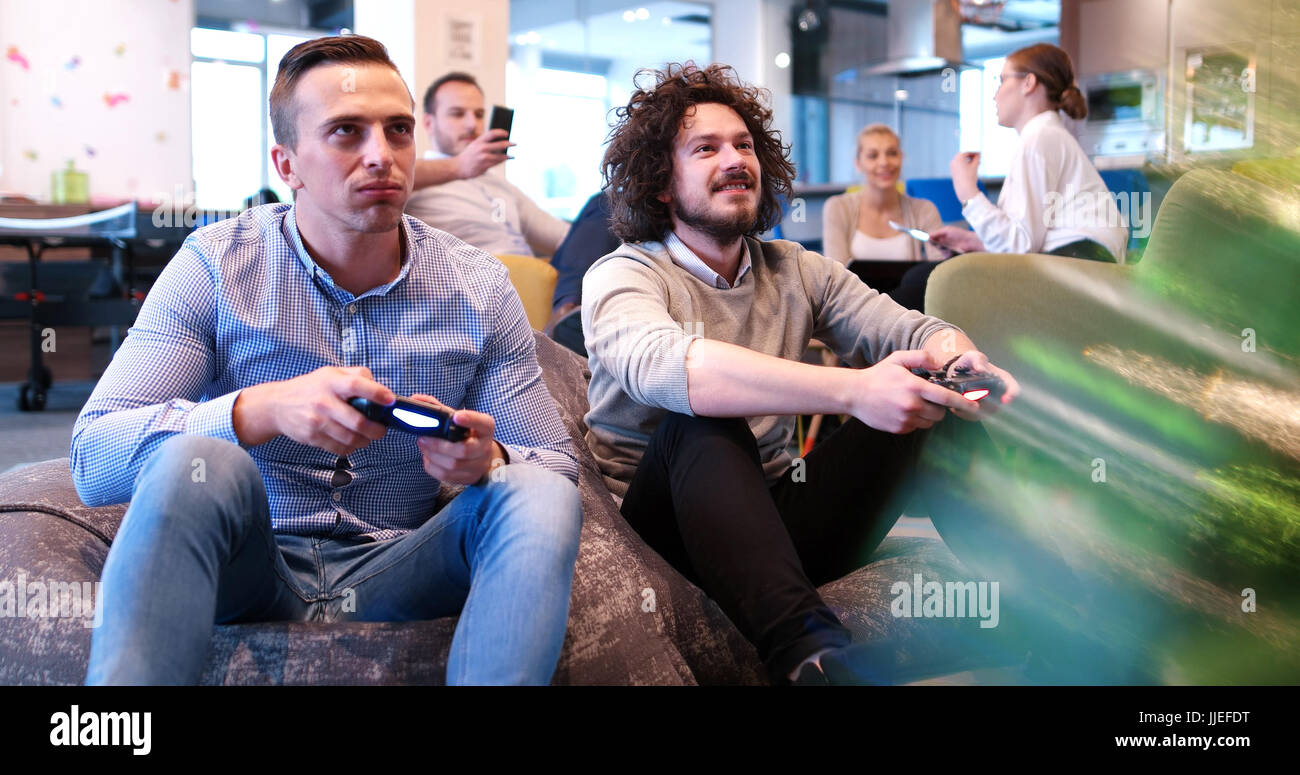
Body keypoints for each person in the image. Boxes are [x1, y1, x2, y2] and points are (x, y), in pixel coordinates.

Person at [71, 35, 583, 686]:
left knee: (534, 487)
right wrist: (262, 408)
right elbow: (93, 457)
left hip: (402, 562)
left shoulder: (477, 287)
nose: (382, 157)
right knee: (192, 461)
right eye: (346, 132)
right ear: (288, 165)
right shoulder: (215, 265)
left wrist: (491, 459)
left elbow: (558, 464)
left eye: (398, 131)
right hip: (253, 564)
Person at [582, 62, 1030, 684]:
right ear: (662, 182)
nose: (734, 159)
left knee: (934, 401)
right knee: (704, 424)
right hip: (668, 536)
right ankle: (813, 659)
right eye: (705, 149)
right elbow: (674, 368)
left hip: (780, 525)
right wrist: (856, 390)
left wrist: (956, 360)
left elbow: (907, 329)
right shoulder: (624, 274)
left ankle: (1045, 605)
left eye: (743, 145)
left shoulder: (794, 268)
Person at [931, 43, 1128, 263]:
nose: (995, 94)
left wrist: (967, 192)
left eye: (1002, 80)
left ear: (1028, 83)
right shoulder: (1046, 134)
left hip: (1079, 259)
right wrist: (976, 242)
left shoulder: (1039, 137)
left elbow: (1019, 247)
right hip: (1084, 259)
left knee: (925, 278)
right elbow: (1023, 241)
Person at [405, 71, 569, 257]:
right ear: (428, 123)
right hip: (478, 281)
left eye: (479, 114)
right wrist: (460, 166)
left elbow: (563, 237)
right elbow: (395, 174)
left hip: (531, 279)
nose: (471, 124)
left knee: (596, 210)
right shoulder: (414, 180)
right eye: (457, 114)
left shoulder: (499, 184)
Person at [821, 124, 945, 265]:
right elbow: (835, 275)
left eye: (892, 153)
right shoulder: (838, 207)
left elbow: (941, 271)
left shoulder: (924, 210)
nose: (884, 162)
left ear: (901, 158)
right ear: (858, 163)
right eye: (873, 156)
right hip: (853, 288)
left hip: (911, 288)